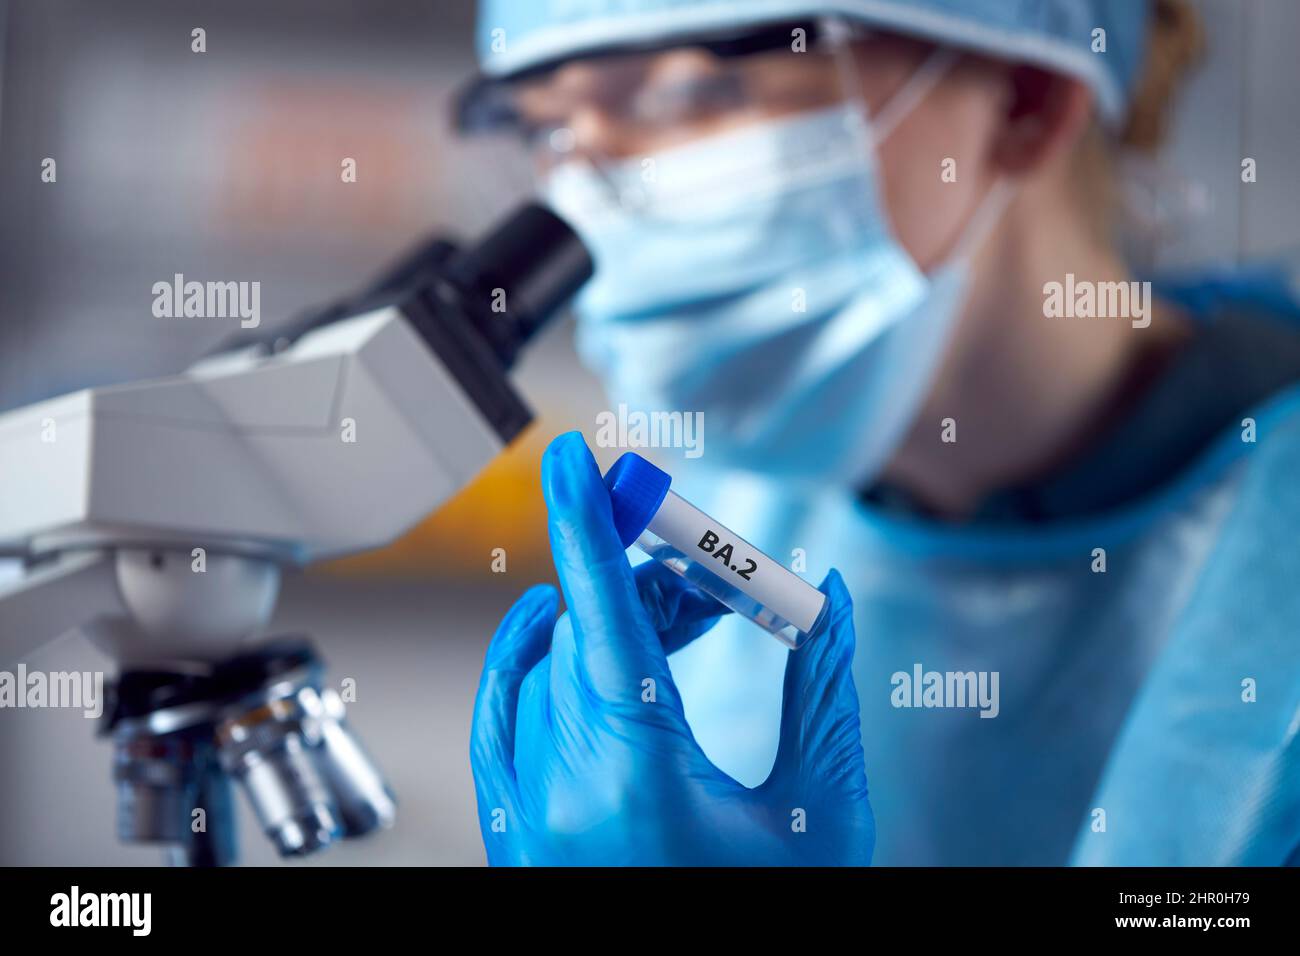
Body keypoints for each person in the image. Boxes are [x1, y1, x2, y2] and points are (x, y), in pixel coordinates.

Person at [463, 0, 1300, 865]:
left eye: (691, 95)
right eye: (547, 129)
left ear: (1026, 100)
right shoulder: (737, 494)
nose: (593, 197)